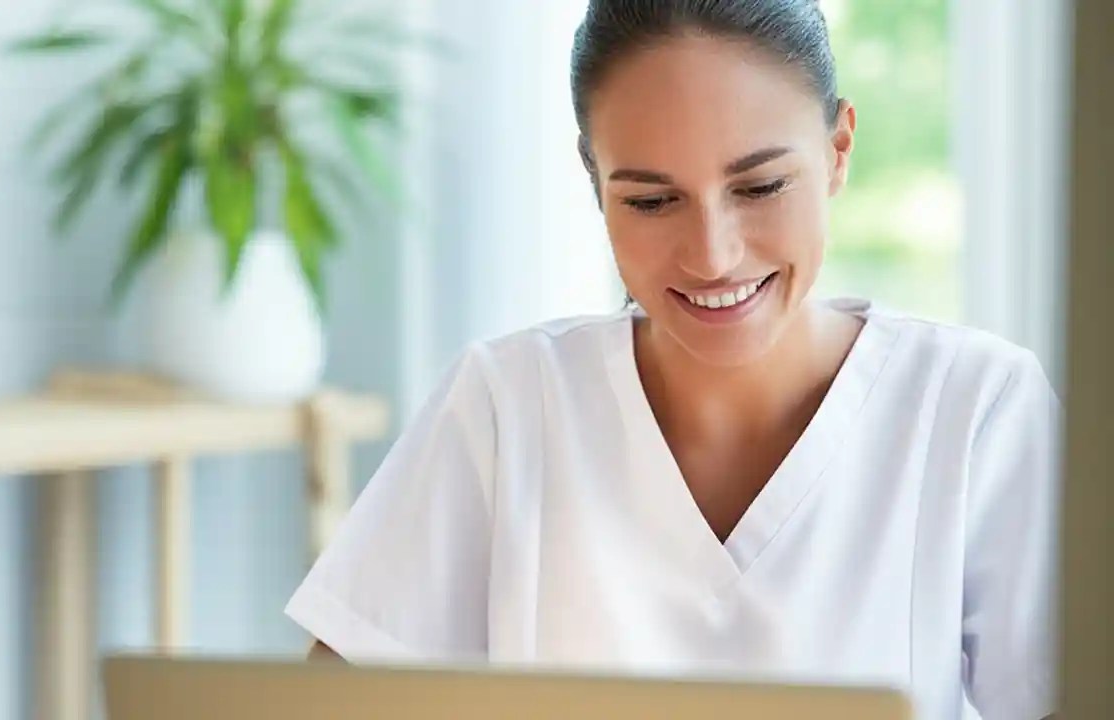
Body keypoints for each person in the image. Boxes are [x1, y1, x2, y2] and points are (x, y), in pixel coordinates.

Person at [285, 2, 1059, 719]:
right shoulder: (507, 405)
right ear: (595, 182)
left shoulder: (974, 407)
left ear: (837, 152)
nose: (712, 256)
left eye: (760, 186)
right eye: (652, 201)